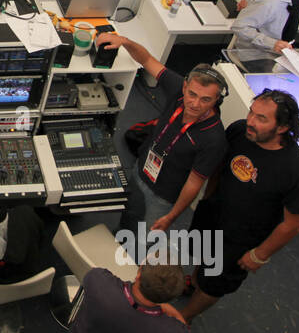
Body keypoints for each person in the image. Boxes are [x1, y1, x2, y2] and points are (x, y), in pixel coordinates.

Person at [181, 90, 299, 322]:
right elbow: (220, 167)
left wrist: (259, 254)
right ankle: (194, 282)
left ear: (282, 127)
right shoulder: (239, 131)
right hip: (213, 216)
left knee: (215, 285)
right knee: (202, 258)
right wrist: (207, 199)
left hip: (240, 241)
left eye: (262, 118)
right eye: (252, 113)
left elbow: (293, 225)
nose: (251, 122)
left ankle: (184, 317)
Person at [95, 33, 226, 236]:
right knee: (128, 216)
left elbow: (194, 183)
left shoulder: (214, 139)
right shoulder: (178, 91)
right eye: (192, 94)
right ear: (185, 86)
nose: (195, 104)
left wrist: (171, 217)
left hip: (162, 197)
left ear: (216, 99)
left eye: (206, 99)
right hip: (140, 171)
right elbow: (147, 60)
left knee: (143, 240)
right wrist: (126, 41)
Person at [70, 260, 190, 333]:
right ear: (170, 298)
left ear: (138, 275)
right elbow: (182, 326)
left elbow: (95, 274)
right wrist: (162, 306)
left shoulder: (98, 282)